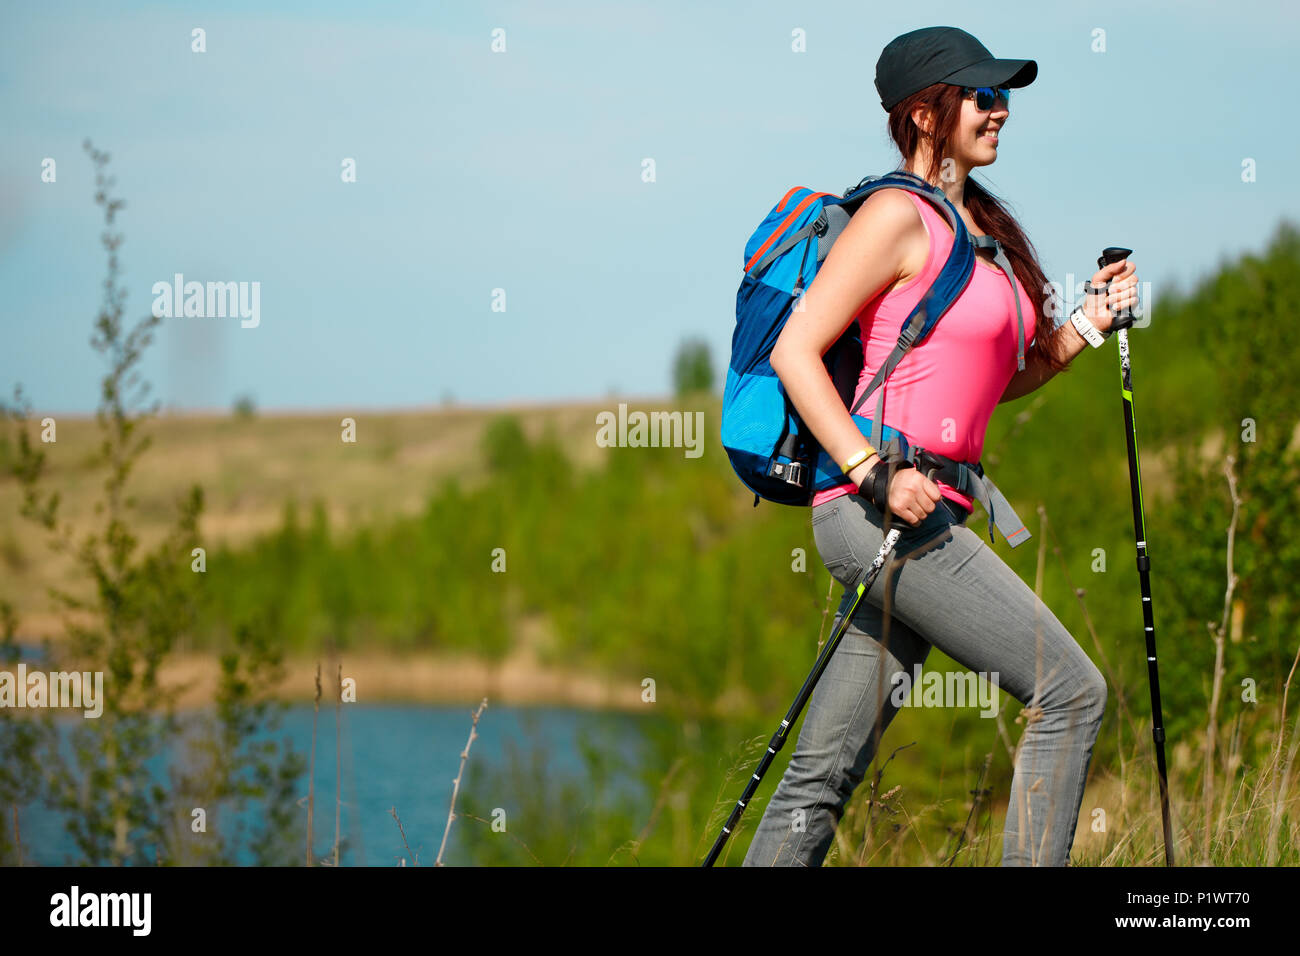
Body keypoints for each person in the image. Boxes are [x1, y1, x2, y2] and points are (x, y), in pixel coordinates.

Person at [742, 26, 1141, 867]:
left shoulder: (979, 232)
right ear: (926, 113)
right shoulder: (894, 215)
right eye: (983, 96)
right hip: (878, 511)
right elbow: (795, 349)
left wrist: (1087, 323)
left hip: (928, 509)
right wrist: (872, 471)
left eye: (1005, 96)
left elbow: (1006, 376)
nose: (1001, 111)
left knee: (821, 776)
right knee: (1070, 692)